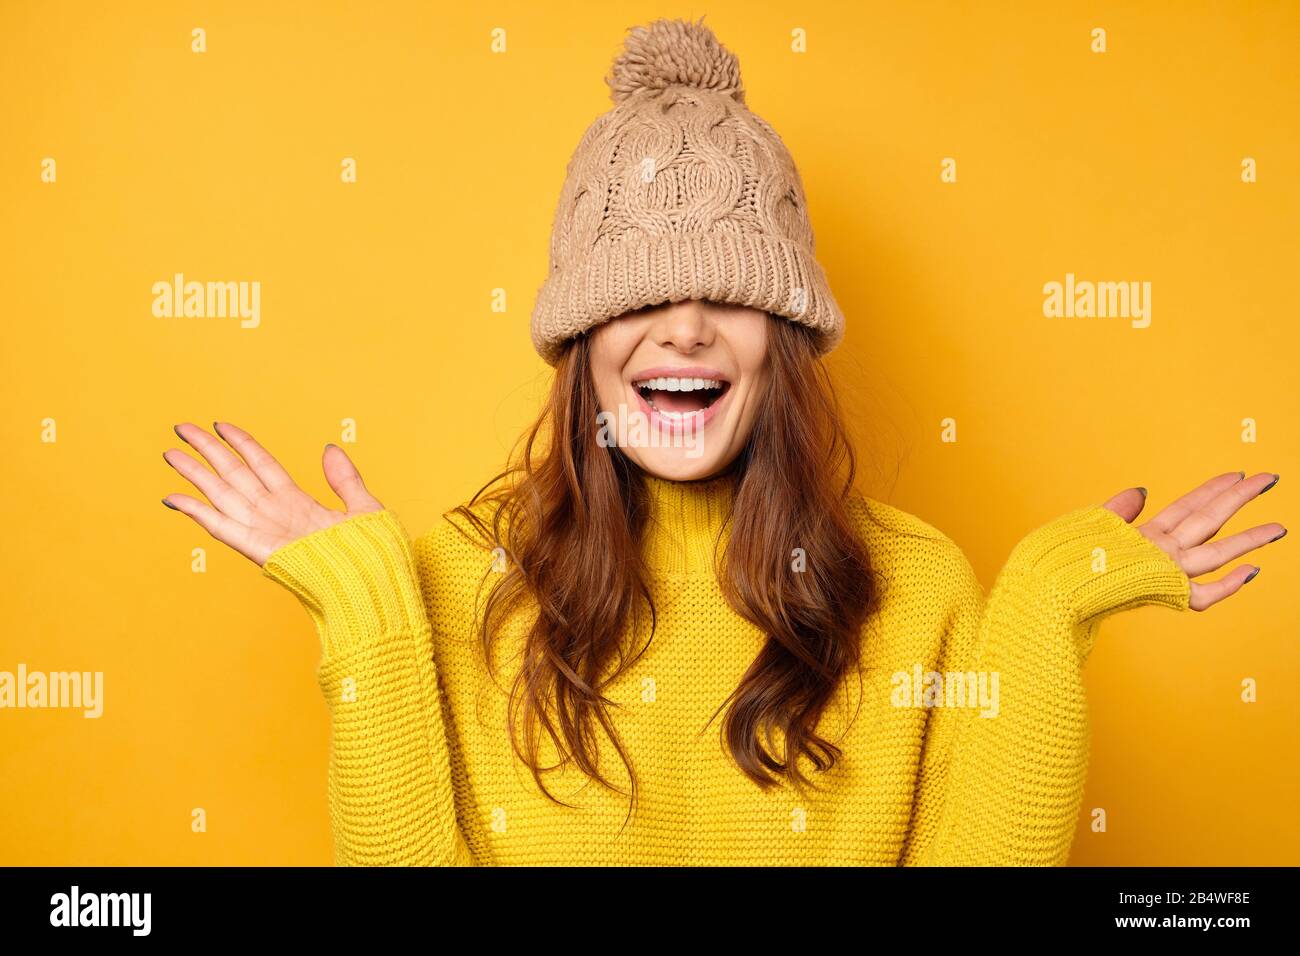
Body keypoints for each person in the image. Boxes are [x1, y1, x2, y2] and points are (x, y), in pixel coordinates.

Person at [160, 17, 1283, 866]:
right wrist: (364, 607)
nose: (684, 325)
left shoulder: (916, 586)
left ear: (783, 340)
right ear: (582, 343)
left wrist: (1044, 599)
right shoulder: (457, 581)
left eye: (728, 296)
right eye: (637, 297)